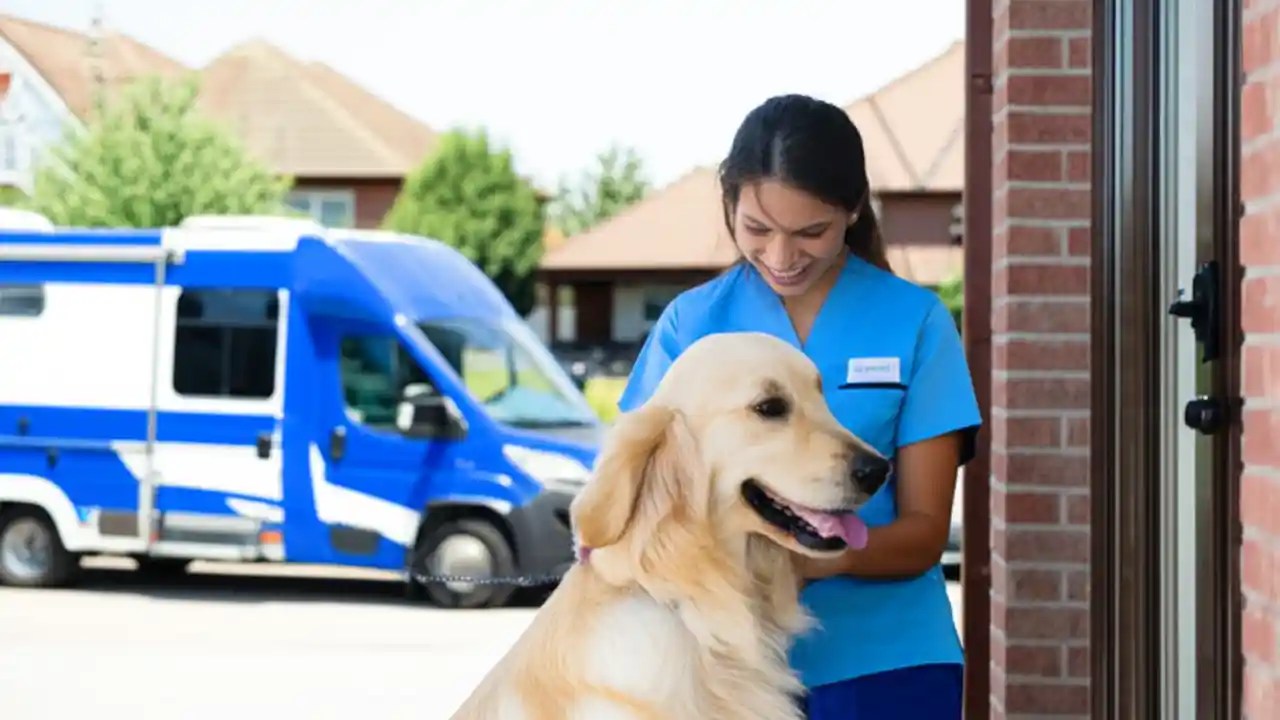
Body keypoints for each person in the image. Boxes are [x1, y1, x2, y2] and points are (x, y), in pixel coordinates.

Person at [615, 93, 981, 719]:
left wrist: (803, 561)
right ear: (728, 203)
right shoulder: (691, 326)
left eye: (811, 232)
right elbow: (640, 497)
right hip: (717, 670)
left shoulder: (914, 322)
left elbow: (923, 533)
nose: (782, 258)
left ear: (853, 210)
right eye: (757, 229)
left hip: (887, 665)